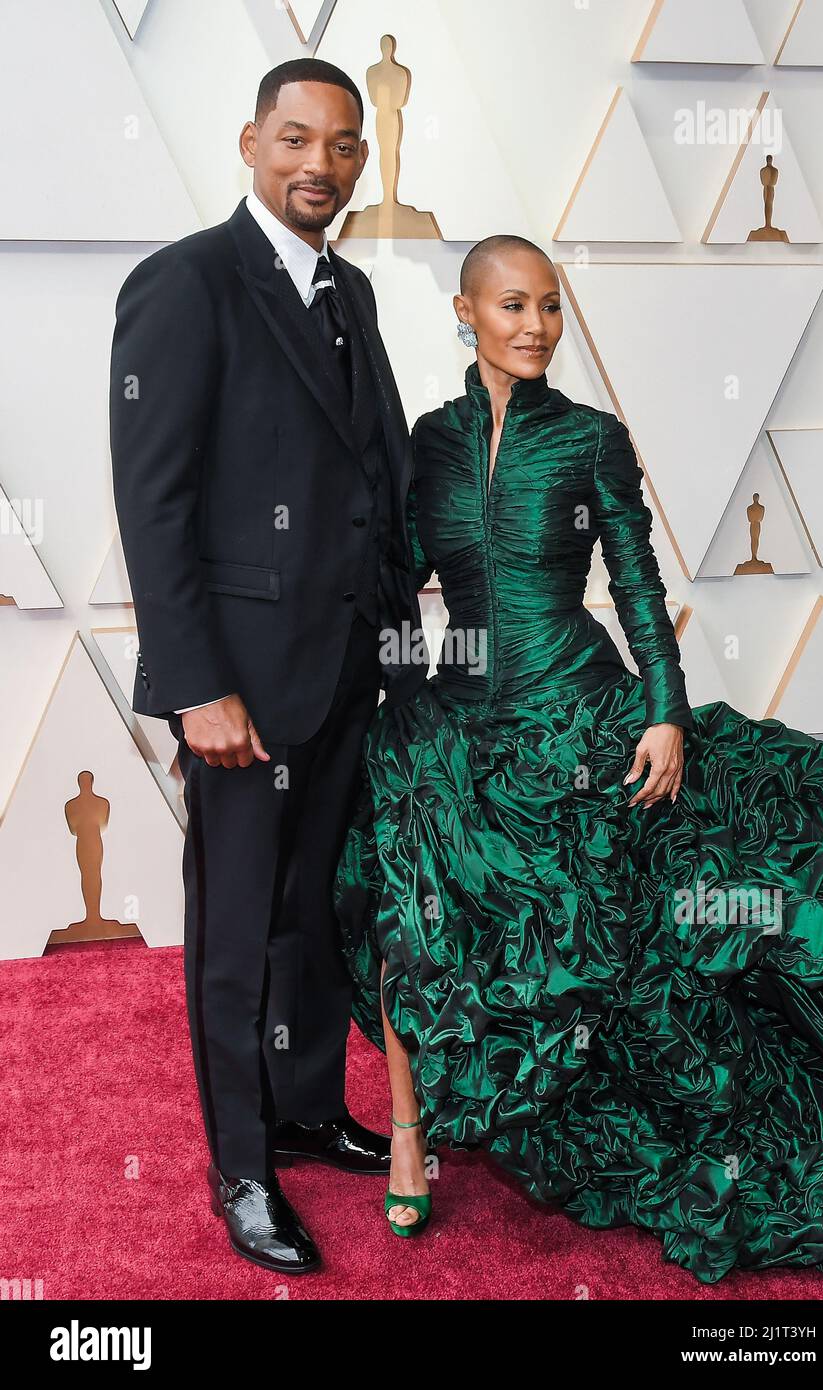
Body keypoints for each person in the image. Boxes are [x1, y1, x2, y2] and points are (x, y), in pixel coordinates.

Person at [335, 235, 823, 1282]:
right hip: (450, 715)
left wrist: (663, 711)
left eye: (548, 307)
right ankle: (406, 1130)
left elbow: (634, 582)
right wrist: (371, 692)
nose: (533, 326)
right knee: (406, 910)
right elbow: (391, 580)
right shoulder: (427, 442)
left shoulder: (588, 438)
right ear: (464, 310)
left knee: (654, 936)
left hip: (578, 711)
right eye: (511, 306)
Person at [109, 59, 427, 1275]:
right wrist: (195, 684)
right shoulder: (186, 283)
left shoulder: (348, 289)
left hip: (344, 668)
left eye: (342, 146)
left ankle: (299, 1110)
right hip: (237, 684)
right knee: (238, 928)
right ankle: (240, 1167)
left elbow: (374, 472)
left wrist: (399, 635)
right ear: (250, 143)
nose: (320, 165)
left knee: (313, 914)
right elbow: (154, 500)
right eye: (295, 139)